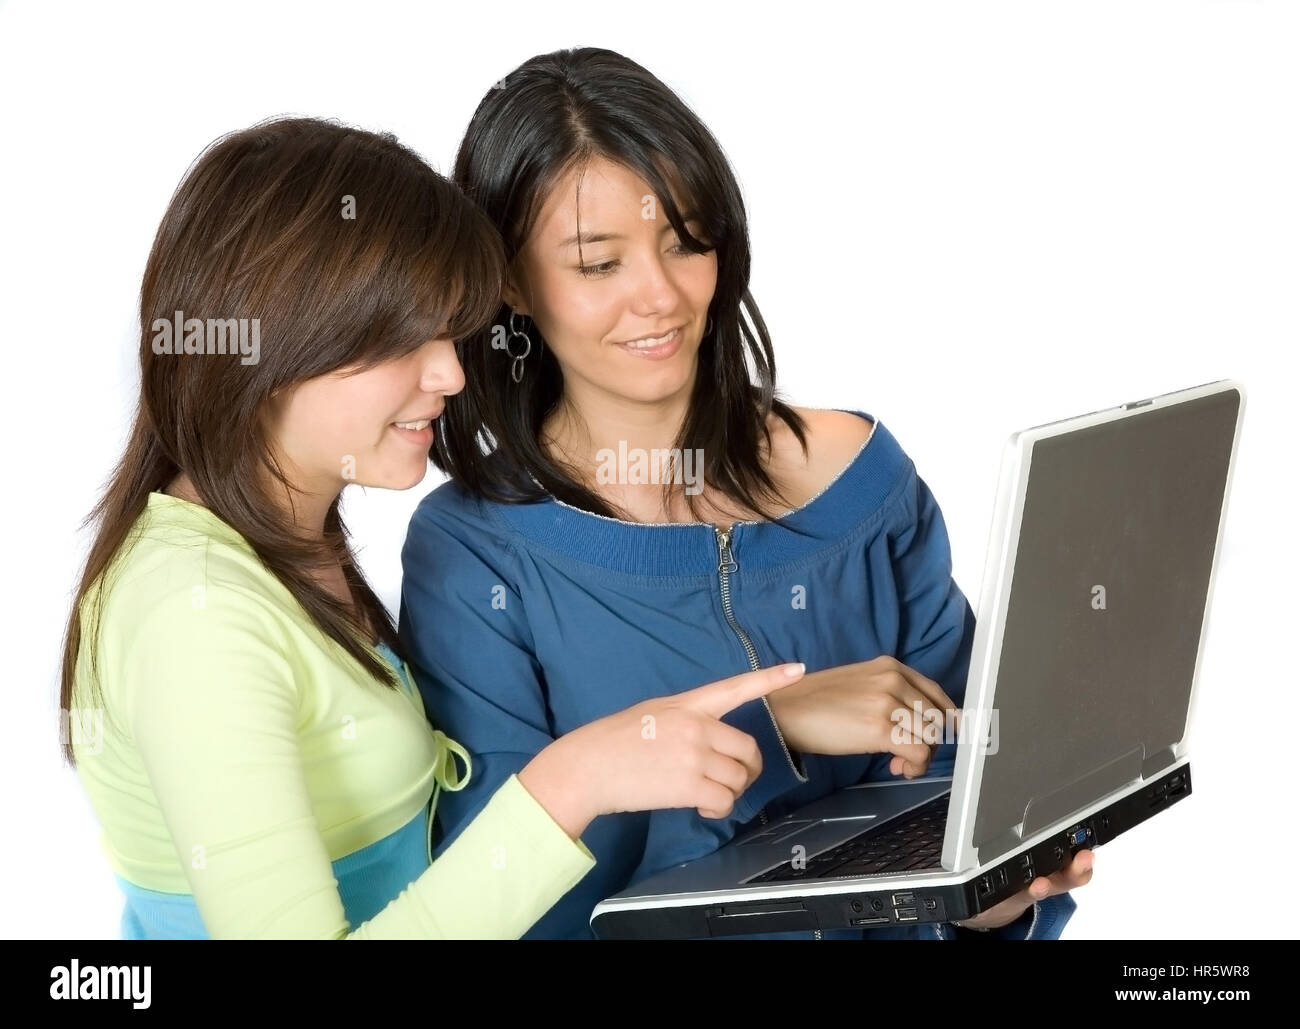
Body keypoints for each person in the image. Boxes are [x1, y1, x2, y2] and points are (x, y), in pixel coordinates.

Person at [400, 48, 1092, 940]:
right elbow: (518, 913)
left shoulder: (863, 481)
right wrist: (772, 735)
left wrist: (990, 908)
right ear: (509, 283)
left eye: (686, 241)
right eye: (598, 263)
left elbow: (971, 796)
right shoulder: (475, 556)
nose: (661, 296)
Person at [59, 116, 808, 939]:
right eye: (401, 338)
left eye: (450, 331)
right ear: (267, 345)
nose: (450, 371)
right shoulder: (189, 613)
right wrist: (572, 780)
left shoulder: (276, 552)